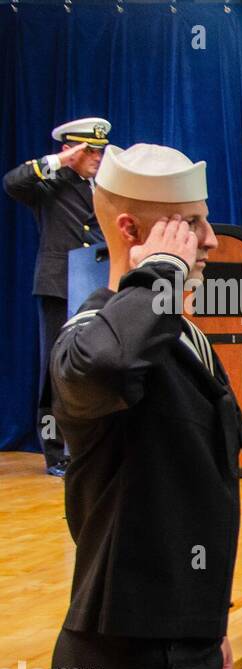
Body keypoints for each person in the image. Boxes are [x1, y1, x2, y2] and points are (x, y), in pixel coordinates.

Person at [48, 143, 242, 669]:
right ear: (131, 231)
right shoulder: (88, 334)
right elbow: (105, 364)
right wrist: (155, 277)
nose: (206, 240)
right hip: (124, 656)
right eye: (188, 225)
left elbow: (199, 488)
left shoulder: (185, 337)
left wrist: (206, 618)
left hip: (186, 641)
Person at [4, 117, 111, 475]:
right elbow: (12, 183)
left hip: (99, 285)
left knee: (98, 364)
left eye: (100, 149)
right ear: (70, 151)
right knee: (55, 368)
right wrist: (59, 163)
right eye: (89, 150)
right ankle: (55, 451)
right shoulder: (50, 184)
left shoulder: (107, 186)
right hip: (59, 286)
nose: (97, 156)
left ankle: (95, 443)